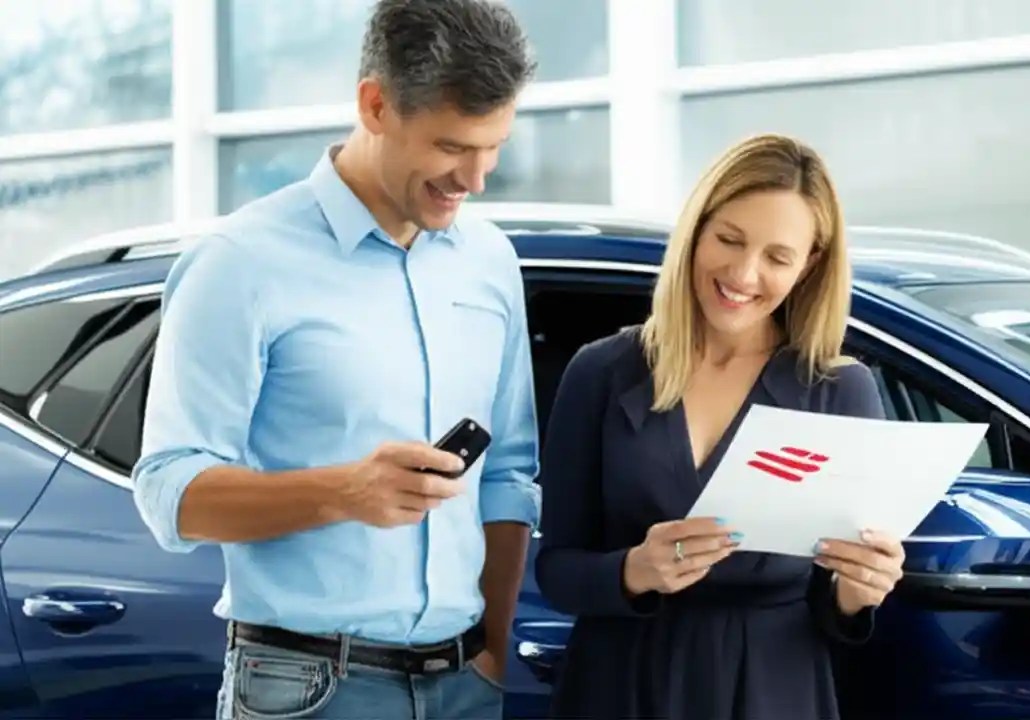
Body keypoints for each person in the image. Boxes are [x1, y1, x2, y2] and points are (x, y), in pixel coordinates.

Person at [131, 1, 540, 718]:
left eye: (493, 147)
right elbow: (170, 493)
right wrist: (343, 492)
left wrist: (491, 659)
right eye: (452, 146)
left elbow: (507, 475)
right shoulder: (240, 263)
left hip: (464, 689)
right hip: (308, 689)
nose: (475, 179)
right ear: (376, 104)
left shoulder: (490, 264)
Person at [534, 133, 908, 719]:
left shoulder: (839, 390)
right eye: (729, 240)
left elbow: (834, 604)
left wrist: (859, 592)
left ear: (810, 264)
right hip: (620, 686)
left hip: (770, 689)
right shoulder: (602, 371)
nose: (743, 273)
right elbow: (556, 569)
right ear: (696, 231)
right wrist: (634, 569)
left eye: (777, 257)